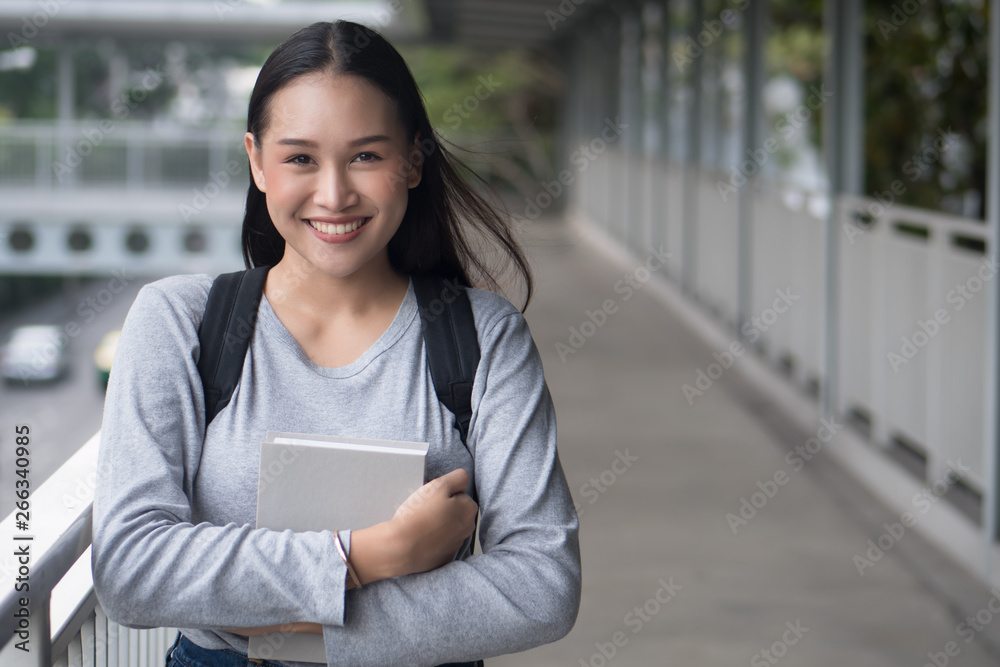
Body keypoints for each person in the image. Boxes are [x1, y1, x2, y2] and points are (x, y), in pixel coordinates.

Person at [90, 19, 581, 667]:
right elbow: (130, 568)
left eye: (365, 156)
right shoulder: (178, 321)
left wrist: (290, 624)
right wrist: (373, 553)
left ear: (411, 160)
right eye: (299, 157)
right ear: (256, 161)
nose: (333, 194)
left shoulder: (483, 336)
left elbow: (543, 583)